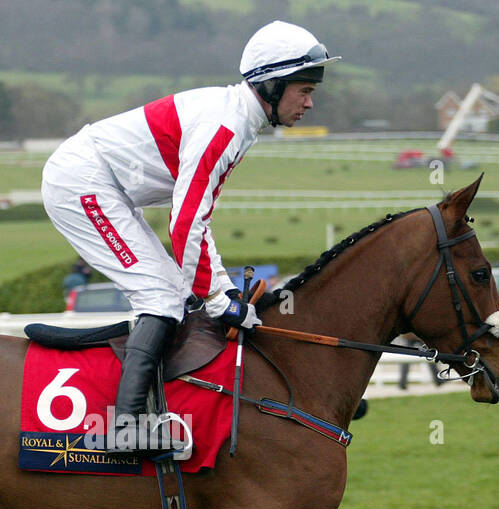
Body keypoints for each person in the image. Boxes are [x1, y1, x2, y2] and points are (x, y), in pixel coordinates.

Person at [41, 20, 339, 454]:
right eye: (304, 90)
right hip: (82, 182)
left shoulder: (240, 120)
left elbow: (197, 220)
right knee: (161, 297)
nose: (310, 103)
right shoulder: (226, 127)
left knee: (180, 295)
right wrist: (221, 301)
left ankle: (152, 406)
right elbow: (184, 225)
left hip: (107, 186)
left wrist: (219, 290)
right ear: (273, 85)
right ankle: (125, 426)